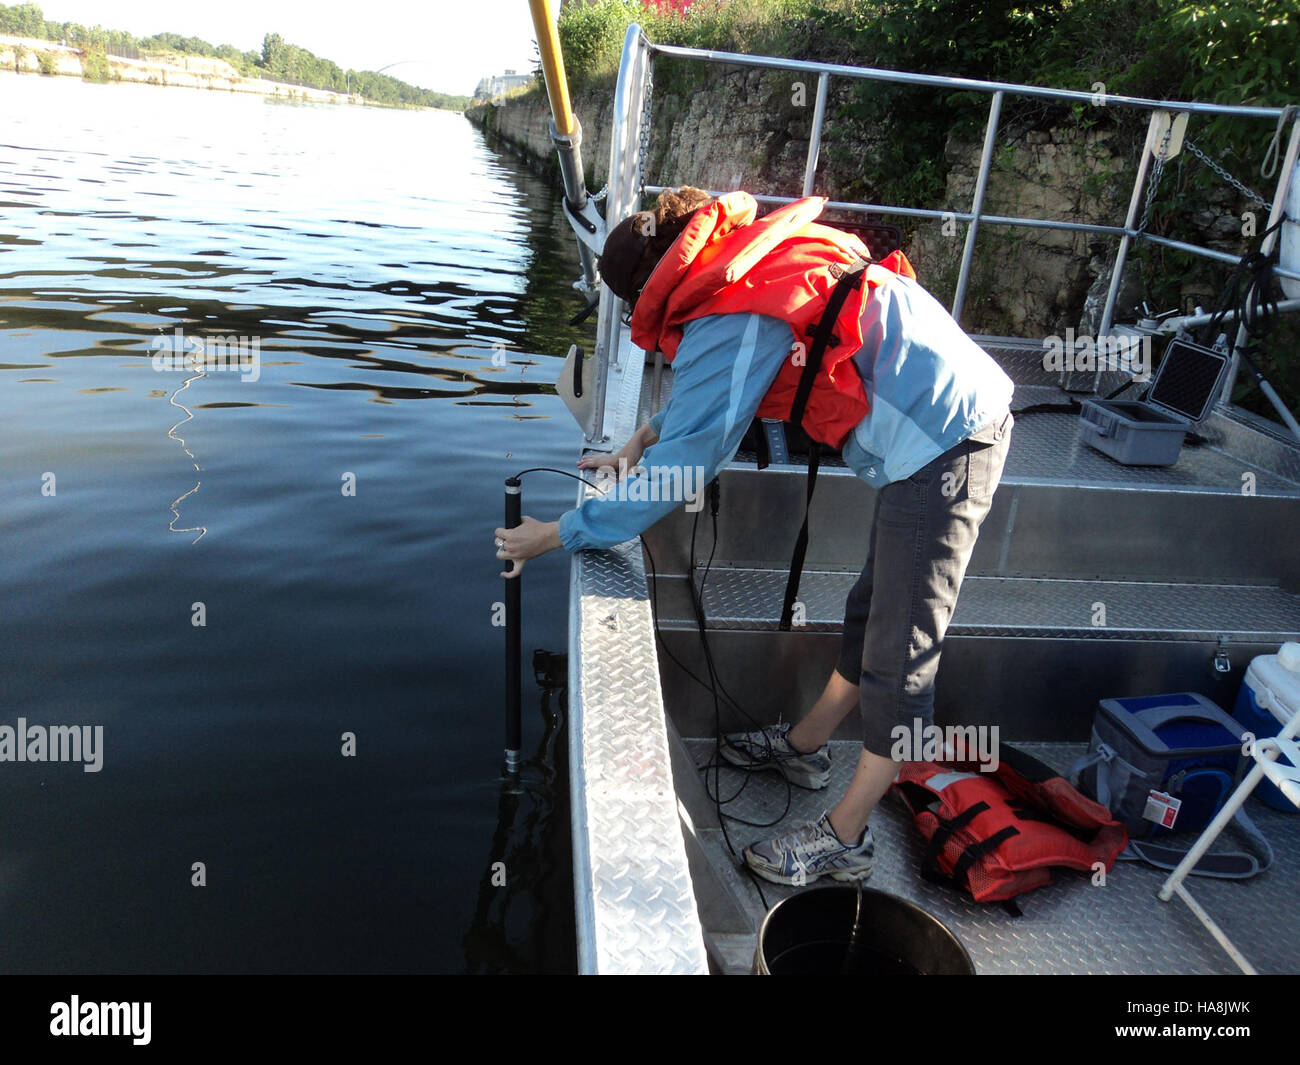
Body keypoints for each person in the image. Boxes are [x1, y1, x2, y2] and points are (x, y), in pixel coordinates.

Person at [495, 186, 1014, 886]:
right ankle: (805, 745)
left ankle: (847, 835)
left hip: (951, 437)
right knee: (873, 610)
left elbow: (683, 472)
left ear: (648, 291)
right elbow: (707, 393)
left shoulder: (733, 306)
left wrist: (556, 533)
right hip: (929, 429)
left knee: (903, 650)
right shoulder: (738, 263)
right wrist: (641, 439)